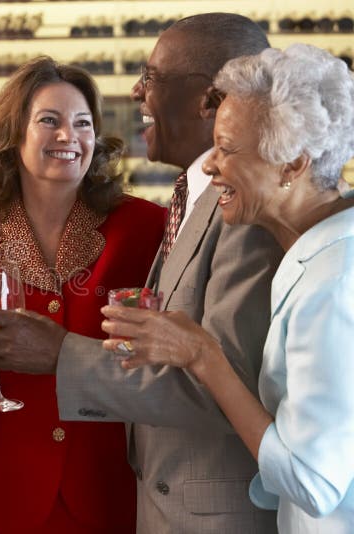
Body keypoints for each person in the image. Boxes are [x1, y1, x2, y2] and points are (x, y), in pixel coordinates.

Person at [0, 13, 284, 532]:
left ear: (208, 98)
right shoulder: (190, 202)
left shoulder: (238, 210)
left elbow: (225, 385)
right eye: (48, 120)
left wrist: (60, 352)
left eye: (151, 78)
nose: (136, 92)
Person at [103, 43, 354, 533]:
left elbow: (312, 480)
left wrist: (202, 356)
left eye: (227, 149)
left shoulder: (332, 283)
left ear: (293, 164)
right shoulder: (316, 253)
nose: (211, 165)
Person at [0, 56, 165, 533]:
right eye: (49, 121)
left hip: (110, 494)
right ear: (14, 135)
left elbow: (159, 366)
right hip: (0, 500)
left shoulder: (144, 228)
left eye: (82, 123)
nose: (68, 136)